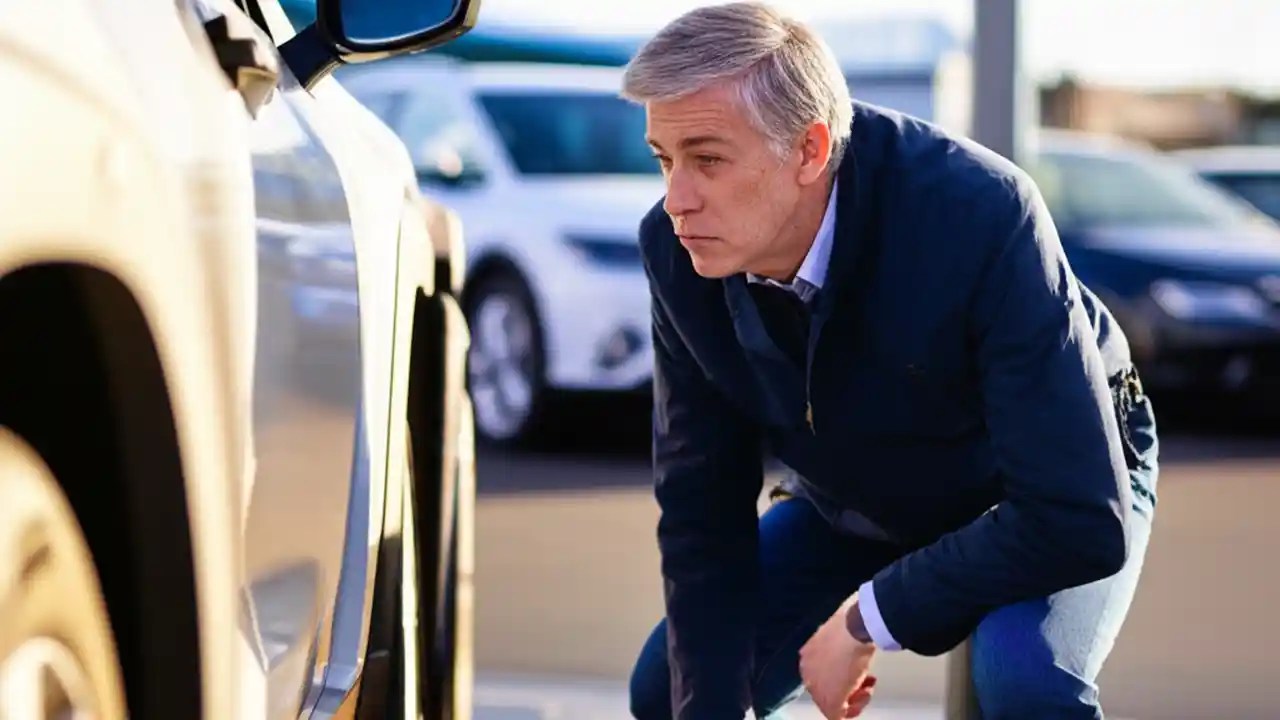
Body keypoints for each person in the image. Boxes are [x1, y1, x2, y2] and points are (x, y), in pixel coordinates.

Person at [621, 3, 1159, 719]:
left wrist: (868, 617)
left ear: (810, 150)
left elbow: (1075, 514)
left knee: (1029, 685)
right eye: (665, 160)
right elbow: (701, 507)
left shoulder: (981, 210)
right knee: (675, 693)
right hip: (852, 493)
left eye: (708, 159)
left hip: (1031, 489)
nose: (677, 200)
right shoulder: (675, 249)